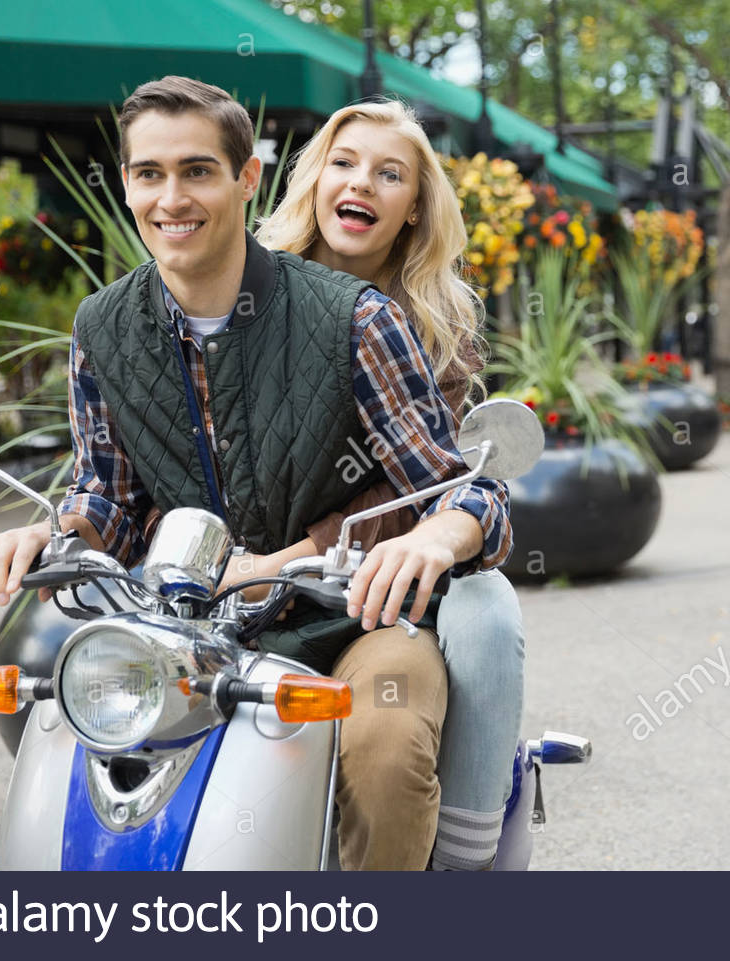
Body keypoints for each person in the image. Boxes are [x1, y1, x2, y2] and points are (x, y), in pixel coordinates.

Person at [0, 76, 512, 870]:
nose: (172, 197)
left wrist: (442, 536)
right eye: (149, 173)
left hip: (348, 620)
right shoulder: (100, 327)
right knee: (76, 734)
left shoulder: (358, 316)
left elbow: (461, 484)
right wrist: (49, 532)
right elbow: (107, 495)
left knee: (388, 741)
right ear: (125, 182)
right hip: (187, 626)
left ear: (246, 178)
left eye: (197, 170)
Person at [254, 99, 524, 872]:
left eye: (389, 173)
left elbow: (431, 487)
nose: (362, 182)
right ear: (314, 182)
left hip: (366, 600)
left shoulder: (436, 331)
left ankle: (460, 863)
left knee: (475, 622)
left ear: (412, 210)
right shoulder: (241, 302)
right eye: (343, 163)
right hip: (234, 594)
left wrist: (294, 552)